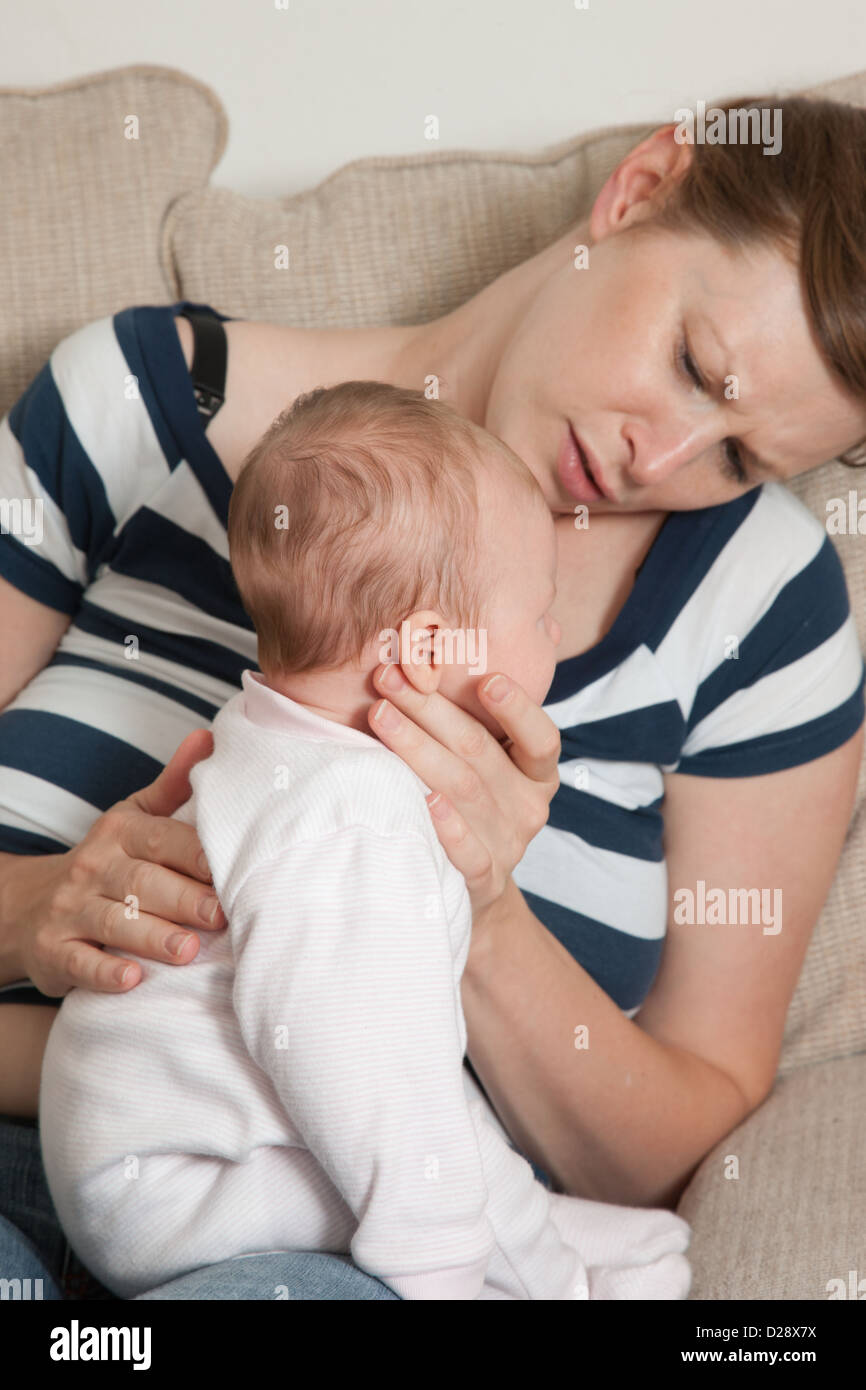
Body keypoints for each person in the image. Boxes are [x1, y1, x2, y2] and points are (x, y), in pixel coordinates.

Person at [1, 91, 865, 1300]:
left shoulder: (764, 609)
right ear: (641, 186)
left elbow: (673, 1146)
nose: (655, 461)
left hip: (356, 1235)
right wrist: (34, 908)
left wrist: (476, 904)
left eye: (739, 458)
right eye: (689, 366)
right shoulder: (149, 405)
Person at [38, 379, 692, 1301]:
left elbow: (405, 1061)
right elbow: (376, 1098)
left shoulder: (275, 740)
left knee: (429, 1123)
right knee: (415, 1183)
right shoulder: (352, 820)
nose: (552, 632)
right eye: (540, 611)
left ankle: (537, 1243)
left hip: (173, 1150)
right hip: (179, 1189)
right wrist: (443, 1274)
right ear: (427, 650)